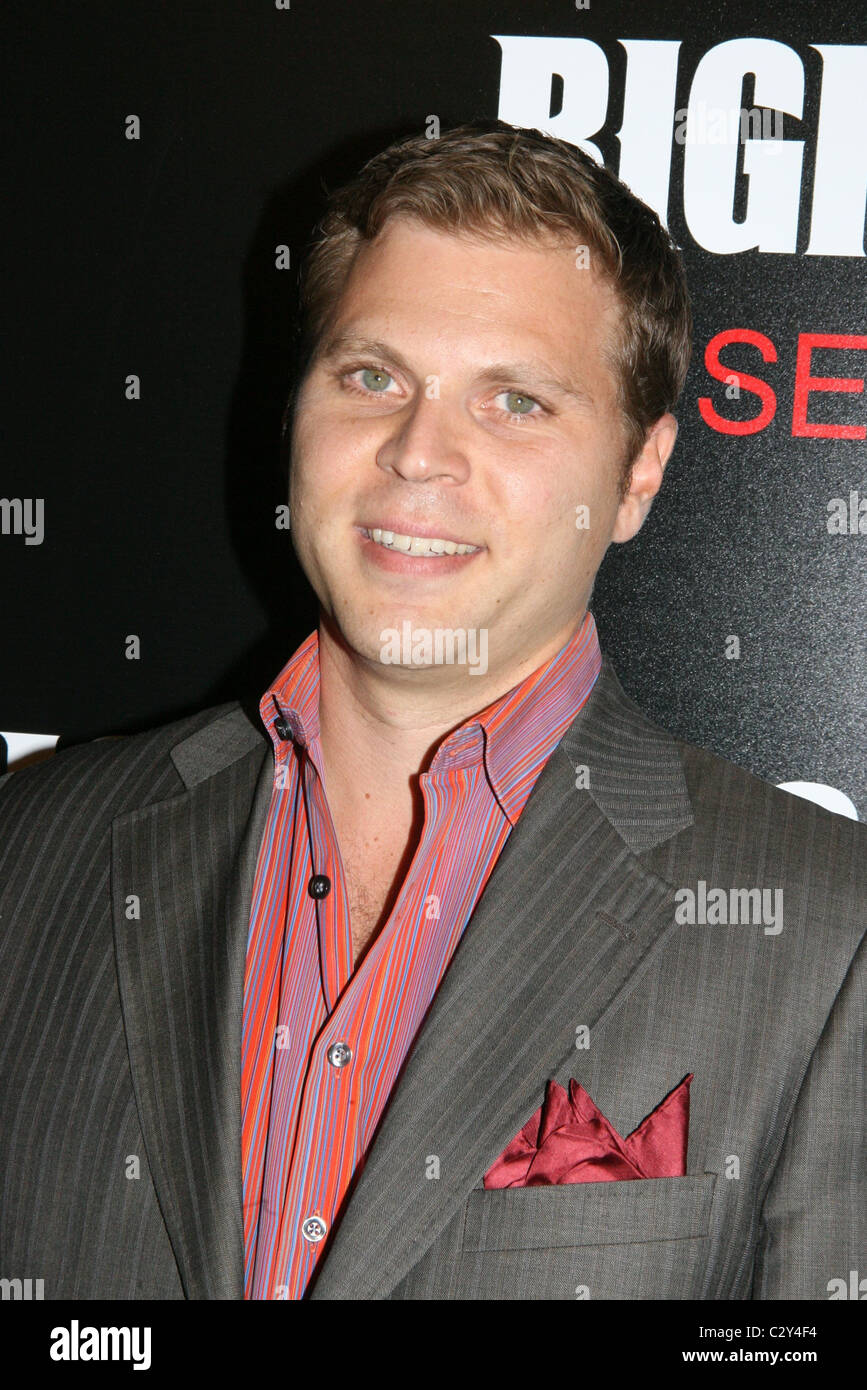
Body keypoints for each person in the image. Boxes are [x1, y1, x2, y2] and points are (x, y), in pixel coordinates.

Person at [0, 120, 863, 1301]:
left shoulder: (830, 939)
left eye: (513, 401)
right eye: (373, 377)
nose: (418, 453)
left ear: (639, 474)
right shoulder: (35, 847)